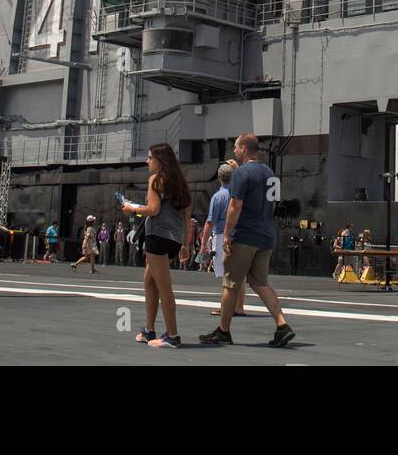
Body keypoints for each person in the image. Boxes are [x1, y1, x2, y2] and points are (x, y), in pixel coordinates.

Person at [200, 133, 295, 348]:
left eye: (236, 147)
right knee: (260, 283)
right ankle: (282, 325)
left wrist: (226, 234)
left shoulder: (241, 173)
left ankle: (223, 331)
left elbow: (235, 205)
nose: (234, 151)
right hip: (266, 235)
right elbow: (273, 204)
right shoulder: (271, 174)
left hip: (244, 235)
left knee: (230, 283)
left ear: (243, 148)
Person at [122, 143, 191, 348]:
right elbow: (187, 217)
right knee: (149, 280)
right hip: (174, 239)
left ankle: (173, 335)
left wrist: (132, 208)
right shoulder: (181, 184)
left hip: (157, 236)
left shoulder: (155, 180)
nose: (147, 161)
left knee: (164, 286)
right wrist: (186, 245)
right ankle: (149, 330)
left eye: (151, 158)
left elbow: (152, 209)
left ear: (161, 160)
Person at [202, 164, 247, 317]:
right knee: (239, 275)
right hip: (240, 235)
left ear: (219, 177)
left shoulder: (218, 197)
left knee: (226, 275)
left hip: (222, 235)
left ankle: (226, 307)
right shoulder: (239, 194)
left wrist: (203, 245)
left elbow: (210, 222)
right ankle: (239, 307)